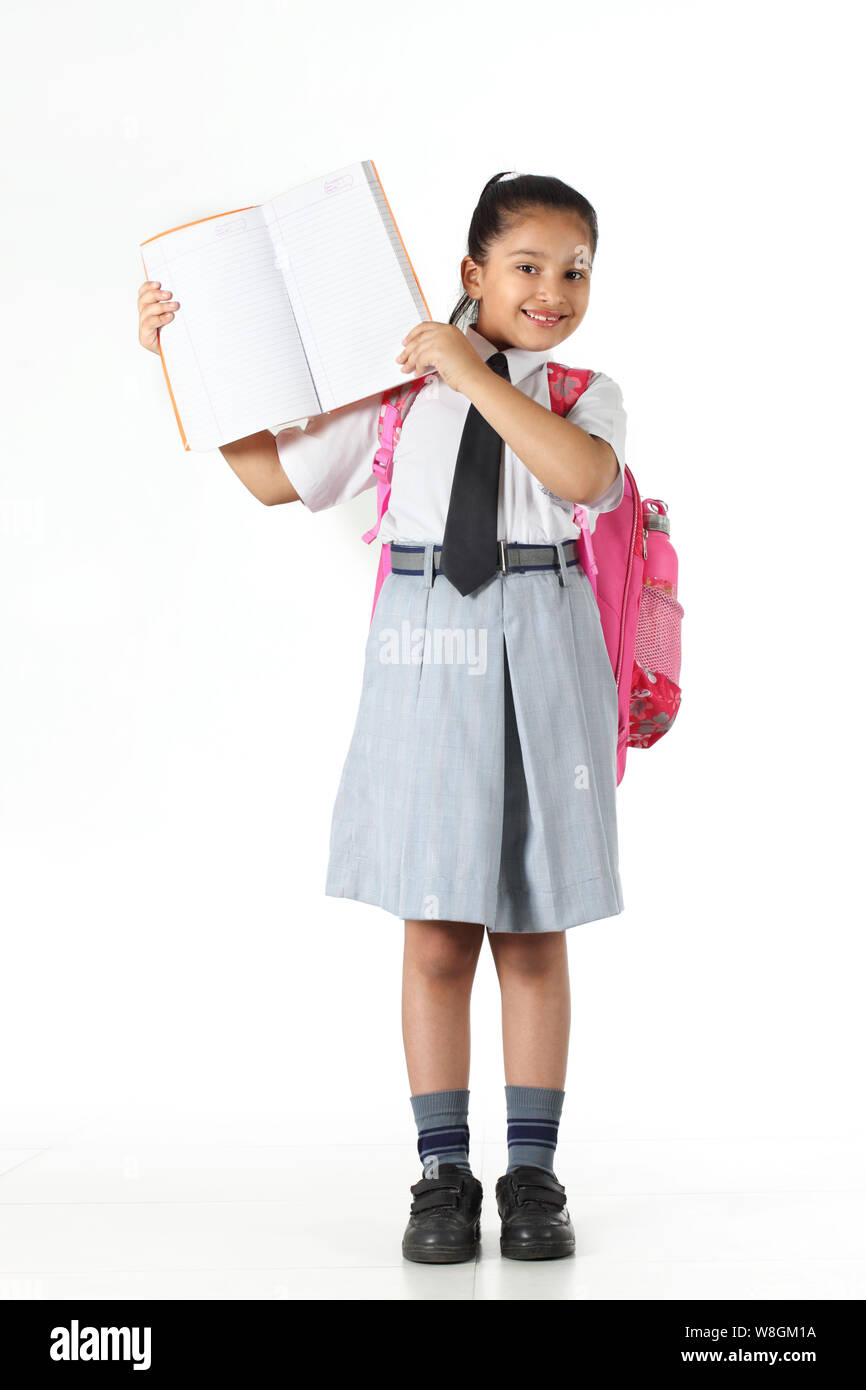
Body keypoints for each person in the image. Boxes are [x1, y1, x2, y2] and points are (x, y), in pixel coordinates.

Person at [137, 170, 627, 1265]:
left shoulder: (581, 391)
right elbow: (272, 478)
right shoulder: (399, 394)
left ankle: (533, 1174)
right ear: (471, 272)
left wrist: (474, 369)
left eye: (573, 269)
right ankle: (441, 1172)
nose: (551, 288)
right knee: (437, 920)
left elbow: (584, 479)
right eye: (526, 265)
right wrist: (185, 355)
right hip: (424, 640)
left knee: (534, 924)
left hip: (543, 639)